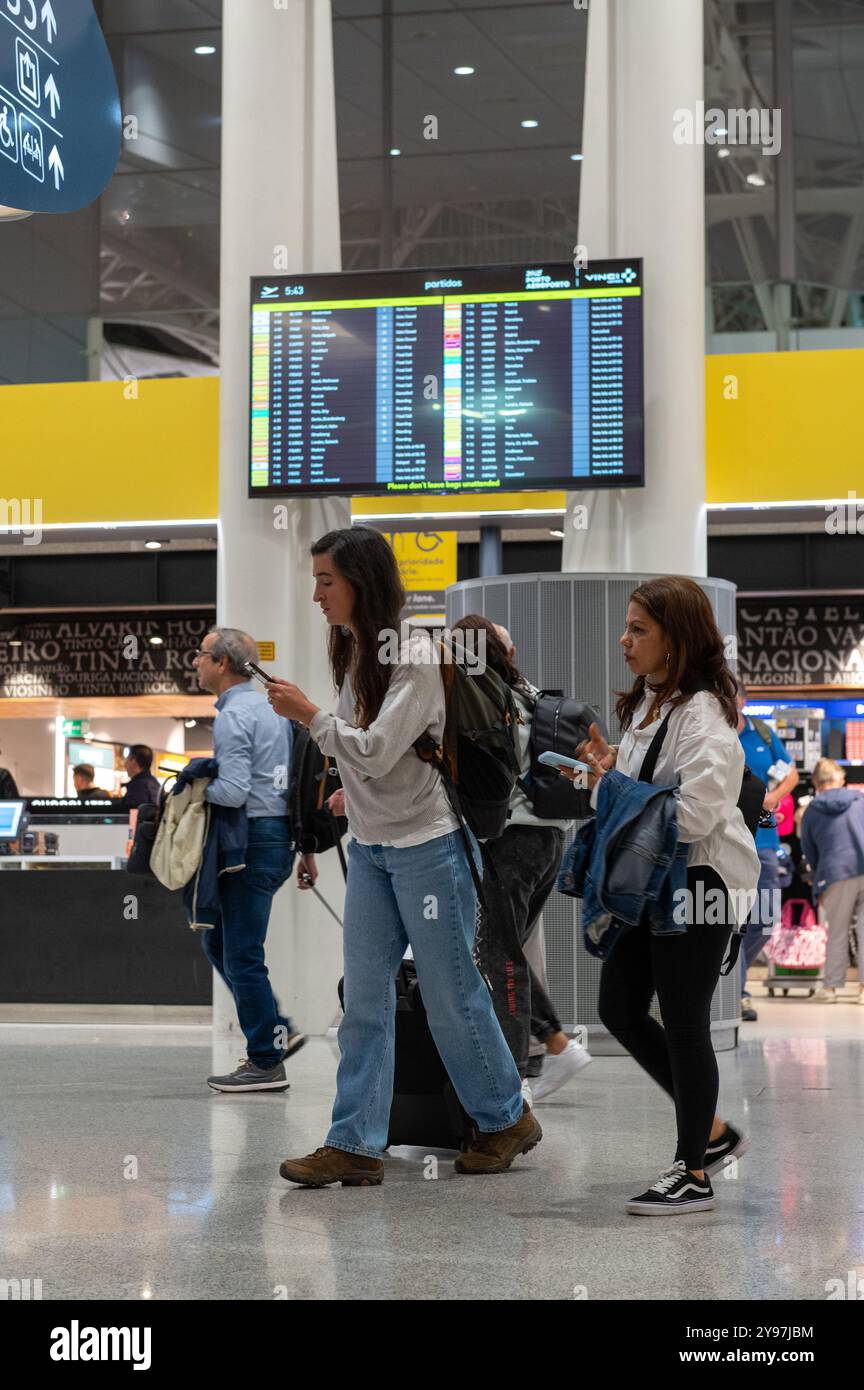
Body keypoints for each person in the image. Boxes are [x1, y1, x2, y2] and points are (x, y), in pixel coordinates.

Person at [267, 525, 540, 1187]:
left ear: (362, 580)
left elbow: (375, 749)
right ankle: (356, 1141)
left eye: (326, 581)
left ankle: (506, 1117)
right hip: (373, 850)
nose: (316, 595)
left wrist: (308, 716)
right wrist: (348, 801)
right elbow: (372, 759)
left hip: (428, 850)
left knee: (451, 995)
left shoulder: (414, 653)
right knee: (364, 998)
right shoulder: (359, 651)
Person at [575, 576, 760, 1216]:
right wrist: (609, 773)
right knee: (620, 1007)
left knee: (684, 1023)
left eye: (639, 630)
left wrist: (610, 792)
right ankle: (707, 1132)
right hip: (661, 882)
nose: (624, 641)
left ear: (675, 640)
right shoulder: (651, 707)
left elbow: (696, 814)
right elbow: (644, 795)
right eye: (627, 627)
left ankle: (693, 1174)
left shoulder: (704, 715)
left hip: (700, 881)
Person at [452, 614, 592, 1102]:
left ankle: (514, 1078)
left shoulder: (484, 697)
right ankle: (556, 1044)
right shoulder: (530, 693)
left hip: (512, 841)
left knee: (498, 955)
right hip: (551, 838)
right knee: (507, 950)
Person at [192, 626, 305, 1092]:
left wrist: (192, 788)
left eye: (200, 654)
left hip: (250, 843)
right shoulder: (270, 706)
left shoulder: (234, 715)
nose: (195, 662)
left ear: (221, 663)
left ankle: (264, 1060)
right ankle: (277, 1028)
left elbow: (235, 791)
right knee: (218, 943)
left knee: (240, 953)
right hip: (276, 838)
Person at [735, 685, 799, 1021]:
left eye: (732, 697)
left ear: (743, 701)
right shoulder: (711, 734)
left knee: (765, 919)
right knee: (720, 918)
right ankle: (737, 991)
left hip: (765, 842)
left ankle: (732, 981)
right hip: (727, 842)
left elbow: (790, 773)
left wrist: (774, 797)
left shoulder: (762, 732)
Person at [801, 758, 864, 1003]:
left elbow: (810, 850)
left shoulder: (811, 811)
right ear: (841, 780)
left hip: (835, 873)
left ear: (817, 783)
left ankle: (831, 989)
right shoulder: (860, 802)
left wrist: (819, 879)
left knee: (837, 932)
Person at [119, 746, 161, 811]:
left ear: (133, 761)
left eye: (127, 759)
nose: (125, 764)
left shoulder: (137, 786)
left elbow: (133, 817)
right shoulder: (155, 783)